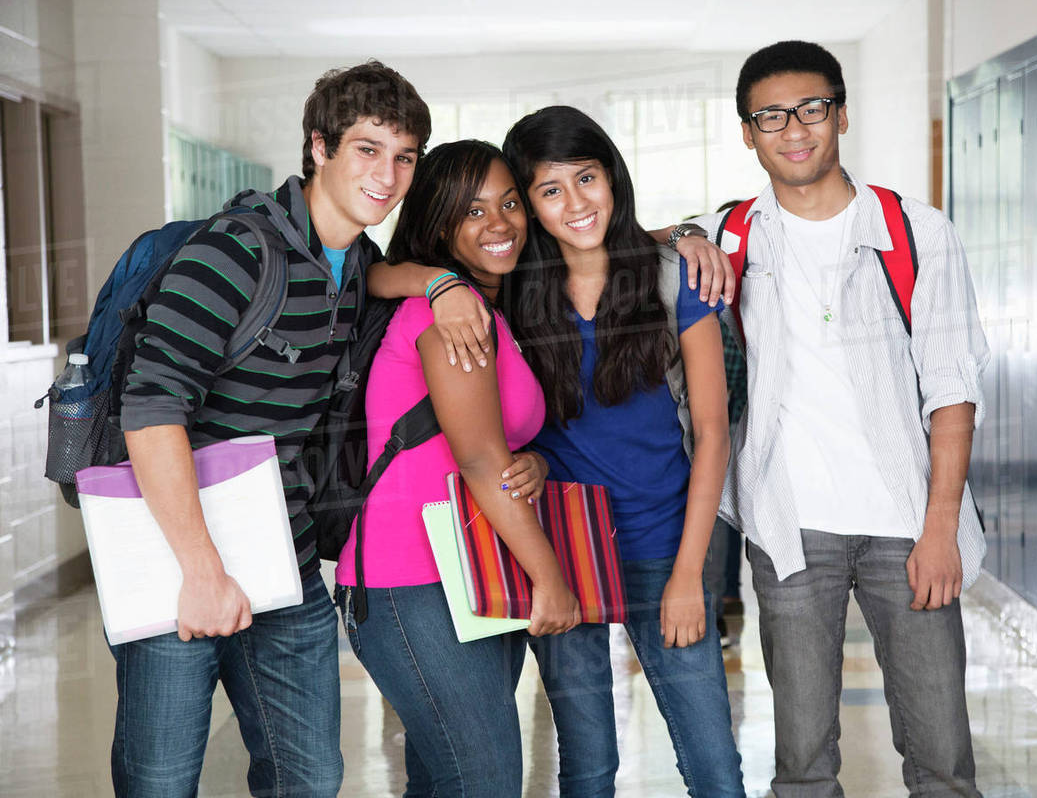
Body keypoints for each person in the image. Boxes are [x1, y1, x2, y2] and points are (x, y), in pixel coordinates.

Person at [112, 61, 432, 797]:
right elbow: (153, 410)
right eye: (367, 148)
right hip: (174, 566)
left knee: (310, 780)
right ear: (319, 146)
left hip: (282, 566)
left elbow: (382, 275)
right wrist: (201, 572)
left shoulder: (357, 266)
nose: (387, 174)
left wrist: (435, 282)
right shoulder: (234, 251)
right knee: (160, 783)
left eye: (404, 156)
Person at [685, 41, 989, 797]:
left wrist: (941, 528)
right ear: (748, 133)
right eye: (771, 116)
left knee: (942, 756)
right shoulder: (731, 237)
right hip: (790, 526)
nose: (795, 128)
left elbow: (952, 390)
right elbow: (632, 239)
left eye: (812, 108)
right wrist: (688, 235)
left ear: (841, 115)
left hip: (907, 520)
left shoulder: (917, 233)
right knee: (802, 764)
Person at [502, 105, 745, 798]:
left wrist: (690, 576)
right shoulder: (516, 290)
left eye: (588, 177)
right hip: (563, 549)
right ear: (530, 204)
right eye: (551, 190)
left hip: (663, 544)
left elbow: (713, 433)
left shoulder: (673, 279)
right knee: (586, 766)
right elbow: (395, 274)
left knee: (713, 765)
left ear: (613, 176)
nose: (576, 203)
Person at [334, 139, 581, 798]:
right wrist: (550, 577)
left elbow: (489, 438)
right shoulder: (449, 313)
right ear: (439, 222)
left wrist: (529, 458)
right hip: (413, 580)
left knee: (447, 778)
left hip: (468, 570)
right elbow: (476, 457)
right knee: (485, 779)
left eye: (508, 203)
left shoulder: (480, 306)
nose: (499, 223)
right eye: (473, 211)